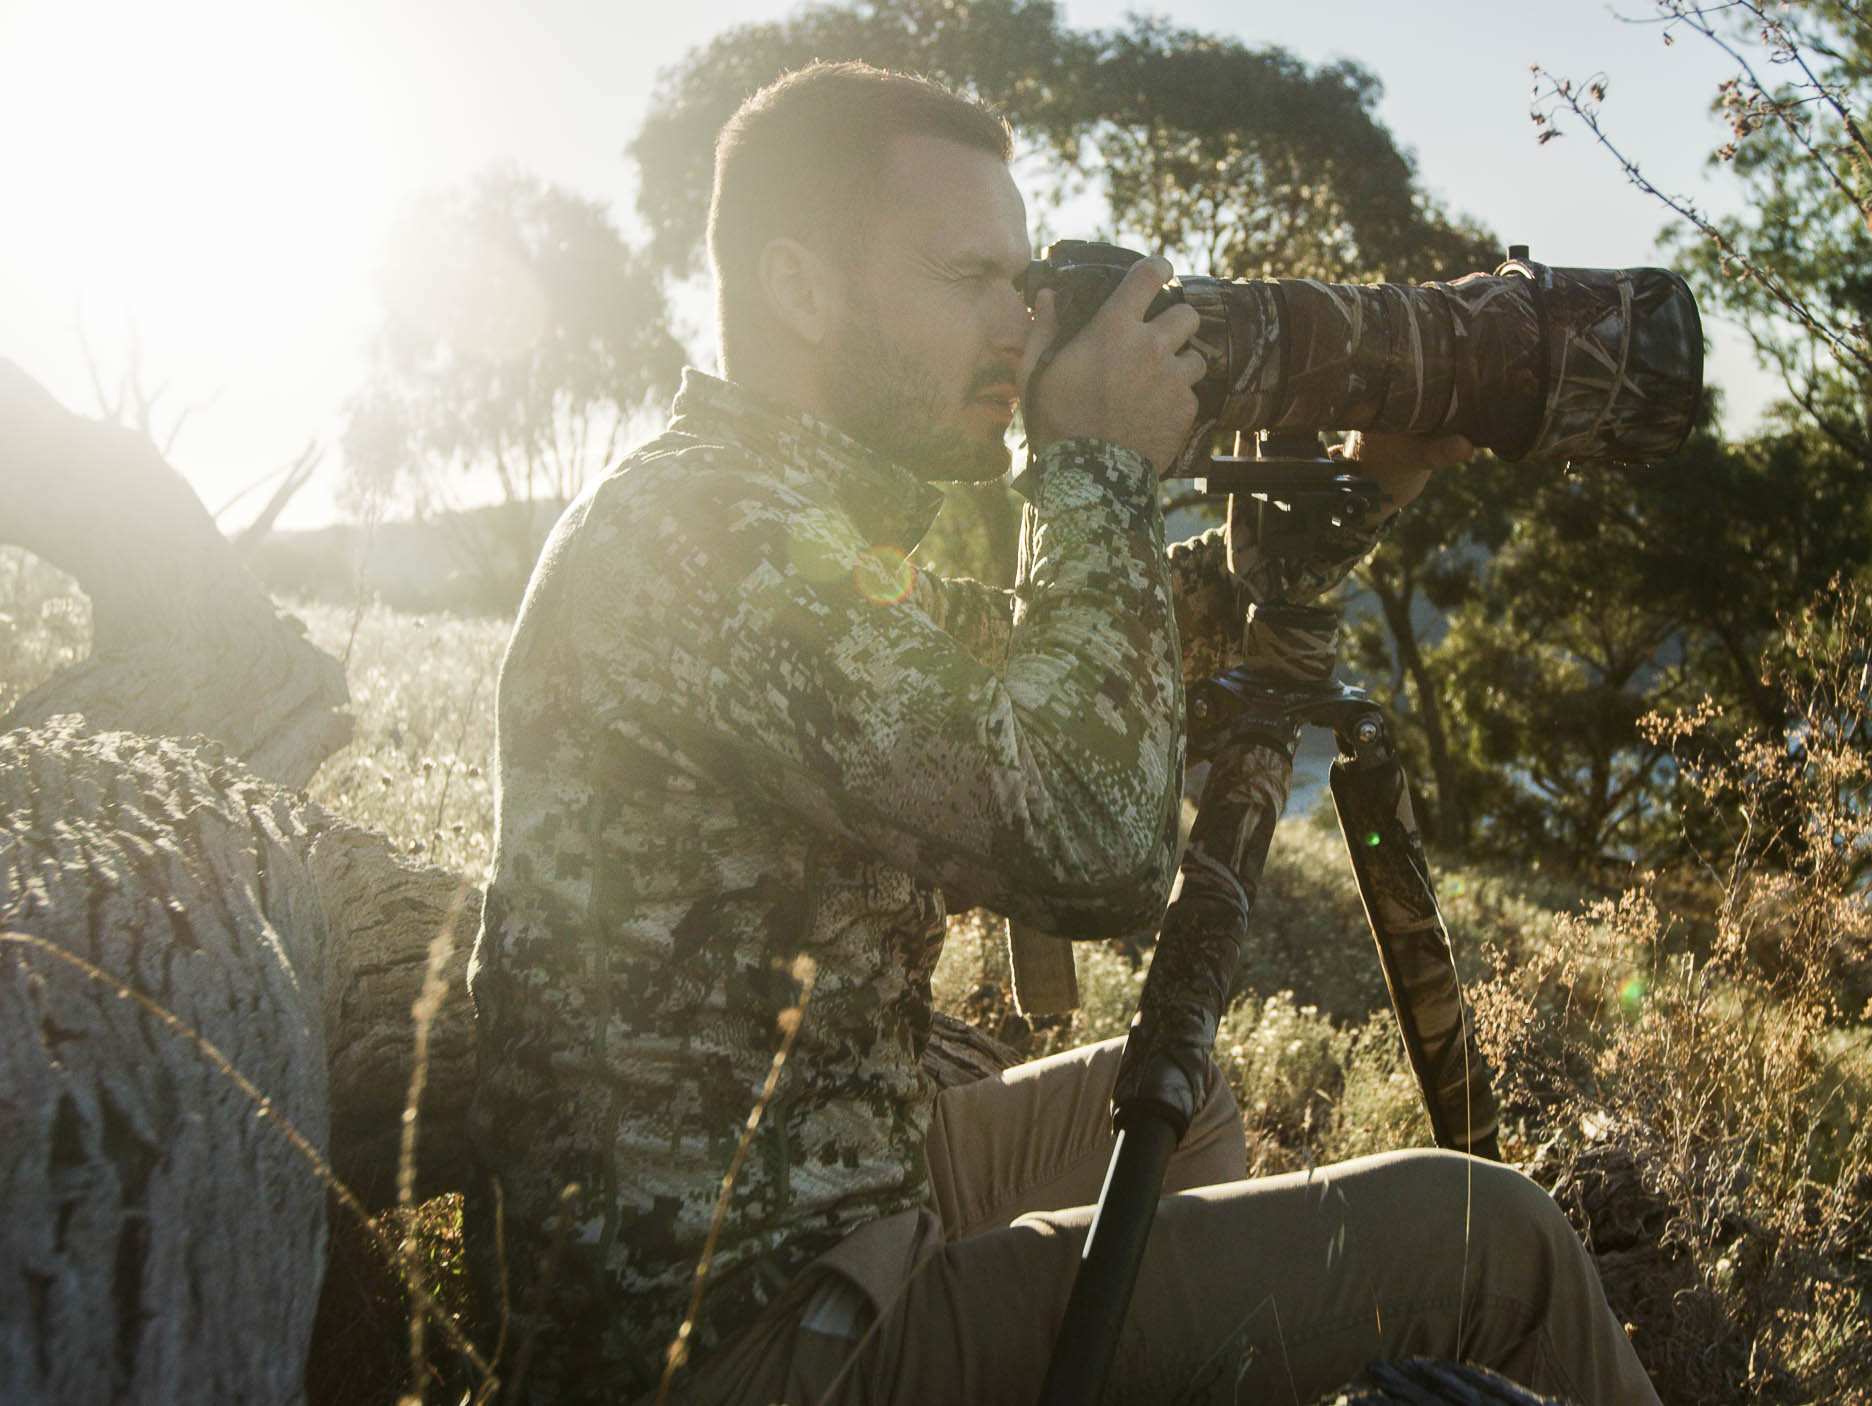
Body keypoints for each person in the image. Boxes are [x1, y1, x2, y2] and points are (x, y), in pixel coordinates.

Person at [464, 59, 1660, 1406]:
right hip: (741, 1339)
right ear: (801, 288)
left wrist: (1365, 484)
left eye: (1027, 281)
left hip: (784, 1188)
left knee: (1185, 1100)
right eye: (973, 276)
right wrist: (1090, 465)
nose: (1022, 323)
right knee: (1494, 1237)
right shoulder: (709, 549)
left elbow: (1101, 671)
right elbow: (1093, 841)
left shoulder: (768, 519)